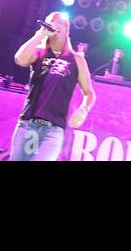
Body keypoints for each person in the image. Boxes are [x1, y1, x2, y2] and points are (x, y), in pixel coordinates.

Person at [9, 11, 95, 161]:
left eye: (59, 22)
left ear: (67, 29)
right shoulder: (38, 53)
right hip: (29, 123)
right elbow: (20, 59)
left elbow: (89, 93)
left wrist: (84, 109)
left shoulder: (77, 60)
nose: (55, 25)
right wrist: (40, 35)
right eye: (51, 21)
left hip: (53, 130)